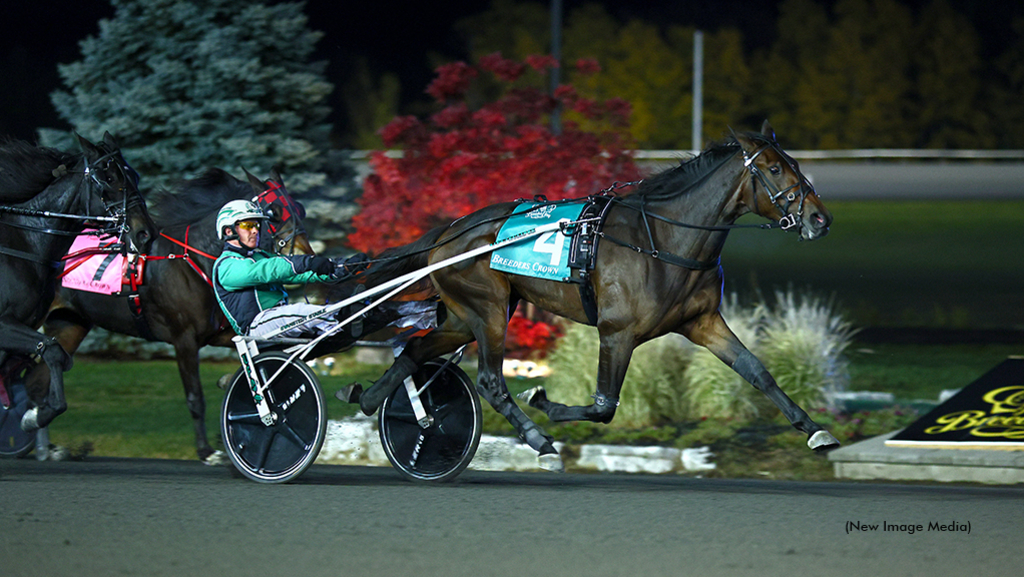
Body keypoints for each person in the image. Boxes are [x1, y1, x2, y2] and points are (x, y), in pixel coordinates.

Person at [212, 199, 435, 340]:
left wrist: (340, 267)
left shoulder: (260, 256)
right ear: (229, 230)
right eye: (247, 225)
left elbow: (301, 272)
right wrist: (306, 262)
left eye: (257, 225)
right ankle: (348, 318)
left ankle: (427, 314)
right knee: (311, 312)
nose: (255, 231)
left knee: (366, 306)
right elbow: (268, 270)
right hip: (258, 326)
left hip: (278, 321)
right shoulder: (226, 266)